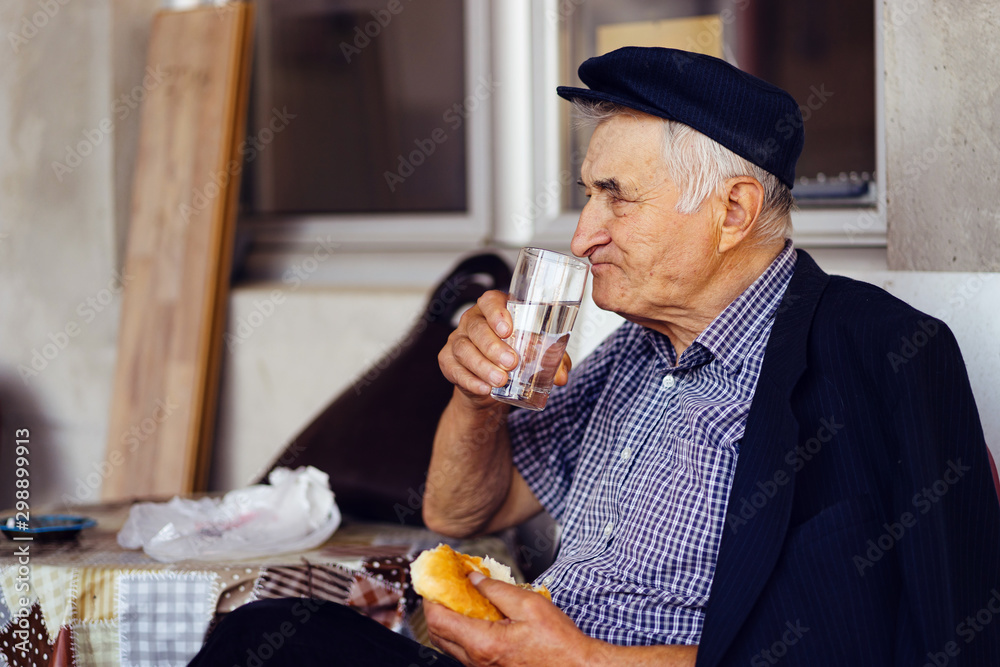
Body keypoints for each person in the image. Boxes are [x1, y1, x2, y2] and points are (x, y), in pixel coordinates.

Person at [188, 47, 1000, 667]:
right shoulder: (636, 350)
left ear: (733, 209)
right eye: (587, 193)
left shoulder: (877, 354)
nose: (583, 235)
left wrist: (582, 660)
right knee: (264, 636)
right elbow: (462, 512)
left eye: (618, 196)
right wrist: (479, 399)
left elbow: (886, 647)